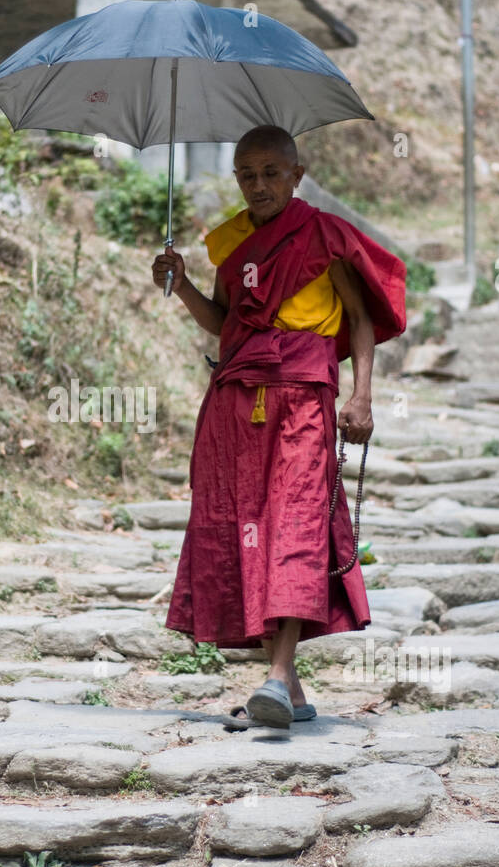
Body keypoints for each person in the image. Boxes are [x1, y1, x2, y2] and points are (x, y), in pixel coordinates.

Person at [151, 125, 406, 729]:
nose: (258, 185)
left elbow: (361, 321)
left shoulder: (323, 234)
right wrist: (182, 282)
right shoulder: (229, 242)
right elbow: (222, 322)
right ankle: (286, 684)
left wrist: (362, 396)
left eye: (271, 173)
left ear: (297, 174)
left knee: (294, 523)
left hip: (302, 398)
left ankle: (273, 675)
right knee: (249, 530)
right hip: (236, 400)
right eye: (247, 174)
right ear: (235, 178)